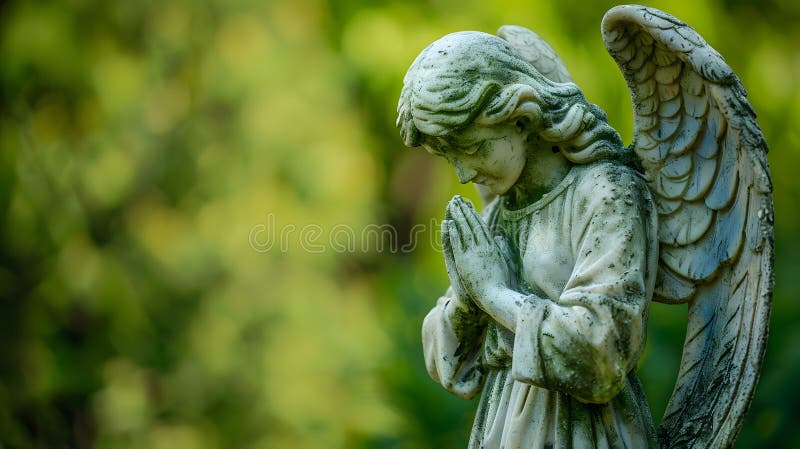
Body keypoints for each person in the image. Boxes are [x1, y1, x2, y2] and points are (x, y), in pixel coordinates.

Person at [397, 31, 660, 448]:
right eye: (449, 157)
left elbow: (603, 353)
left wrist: (494, 294)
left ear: (519, 116)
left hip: (583, 430)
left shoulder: (606, 192)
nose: (463, 174)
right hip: (502, 426)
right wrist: (468, 301)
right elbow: (444, 361)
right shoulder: (501, 211)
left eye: (472, 147)